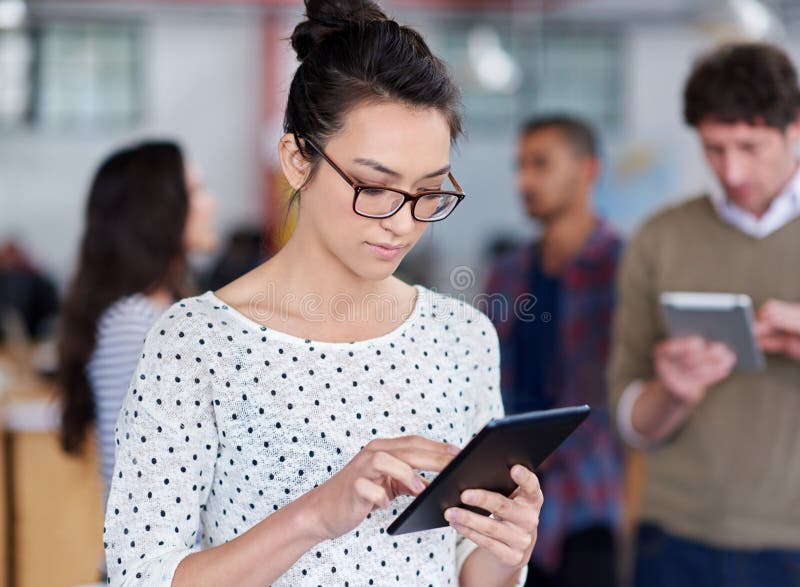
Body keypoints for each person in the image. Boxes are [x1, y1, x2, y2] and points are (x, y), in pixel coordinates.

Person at [103, 2, 544, 586]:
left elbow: (465, 572)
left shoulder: (461, 338)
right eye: (374, 186)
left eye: (428, 191)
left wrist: (507, 548)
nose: (402, 222)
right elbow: (140, 575)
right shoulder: (196, 343)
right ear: (297, 160)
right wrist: (313, 515)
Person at [610, 42, 800, 587]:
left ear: (795, 129)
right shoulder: (659, 239)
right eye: (715, 149)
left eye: (750, 146)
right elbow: (631, 421)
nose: (732, 170)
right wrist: (672, 393)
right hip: (674, 535)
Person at [485, 115, 623, 587]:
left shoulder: (623, 267)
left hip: (586, 503)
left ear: (588, 170)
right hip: (506, 498)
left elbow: (611, 395)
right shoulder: (507, 272)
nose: (525, 180)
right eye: (521, 165)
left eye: (540, 164)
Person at [58, 140, 218, 511]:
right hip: (160, 565)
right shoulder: (134, 324)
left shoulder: (166, 313)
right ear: (156, 212)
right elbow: (141, 487)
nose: (212, 203)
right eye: (196, 191)